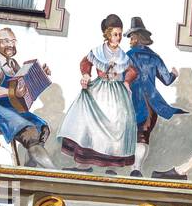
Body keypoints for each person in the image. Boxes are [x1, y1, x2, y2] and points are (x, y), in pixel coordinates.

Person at [59, 14, 139, 171]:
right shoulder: (97, 51)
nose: (118, 38)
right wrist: (86, 75)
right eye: (115, 34)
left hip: (117, 93)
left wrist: (127, 81)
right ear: (108, 34)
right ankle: (83, 164)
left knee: (118, 123)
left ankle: (112, 168)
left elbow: (132, 71)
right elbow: (85, 63)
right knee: (88, 121)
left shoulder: (123, 55)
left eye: (120, 34)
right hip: (99, 90)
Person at [0, 27, 52, 165]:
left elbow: (21, 85)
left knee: (43, 128)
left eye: (14, 41)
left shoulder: (12, 63)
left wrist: (40, 75)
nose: (12, 45)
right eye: (6, 41)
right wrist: (12, 92)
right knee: (30, 132)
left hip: (9, 107)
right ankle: (52, 173)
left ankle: (30, 170)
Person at [124, 17, 184, 177]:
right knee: (142, 136)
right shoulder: (155, 57)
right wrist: (174, 74)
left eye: (131, 36)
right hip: (150, 103)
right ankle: (136, 168)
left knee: (124, 133)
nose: (129, 40)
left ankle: (120, 168)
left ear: (136, 37)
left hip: (129, 100)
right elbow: (167, 79)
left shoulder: (127, 56)